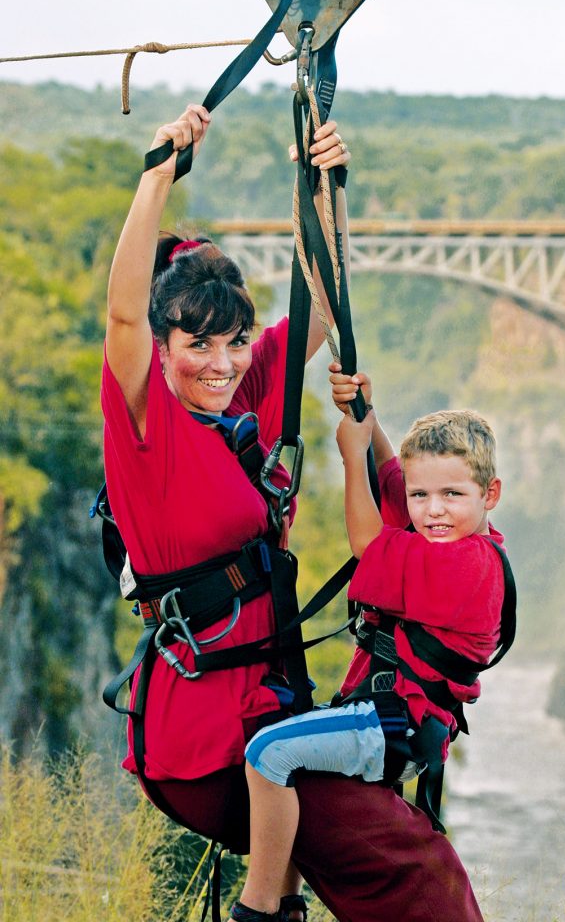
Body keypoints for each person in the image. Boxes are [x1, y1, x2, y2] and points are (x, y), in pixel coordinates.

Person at [102, 103, 487, 922]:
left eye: (233, 341)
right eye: (197, 345)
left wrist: (326, 187)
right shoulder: (148, 431)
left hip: (264, 710)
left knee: (405, 863)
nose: (219, 362)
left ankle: (275, 904)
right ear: (164, 349)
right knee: (414, 872)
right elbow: (124, 316)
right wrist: (157, 177)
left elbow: (321, 295)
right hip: (208, 738)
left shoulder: (246, 402)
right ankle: (264, 911)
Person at [229, 370, 507, 922]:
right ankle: (285, 899)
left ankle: (261, 908)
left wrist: (350, 457)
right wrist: (368, 421)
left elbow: (367, 543)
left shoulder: (460, 565)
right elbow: (395, 479)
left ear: (490, 494)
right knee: (291, 766)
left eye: (453, 494)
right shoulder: (456, 540)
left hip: (390, 725)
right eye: (422, 496)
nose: (432, 510)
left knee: (267, 754)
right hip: (401, 720)